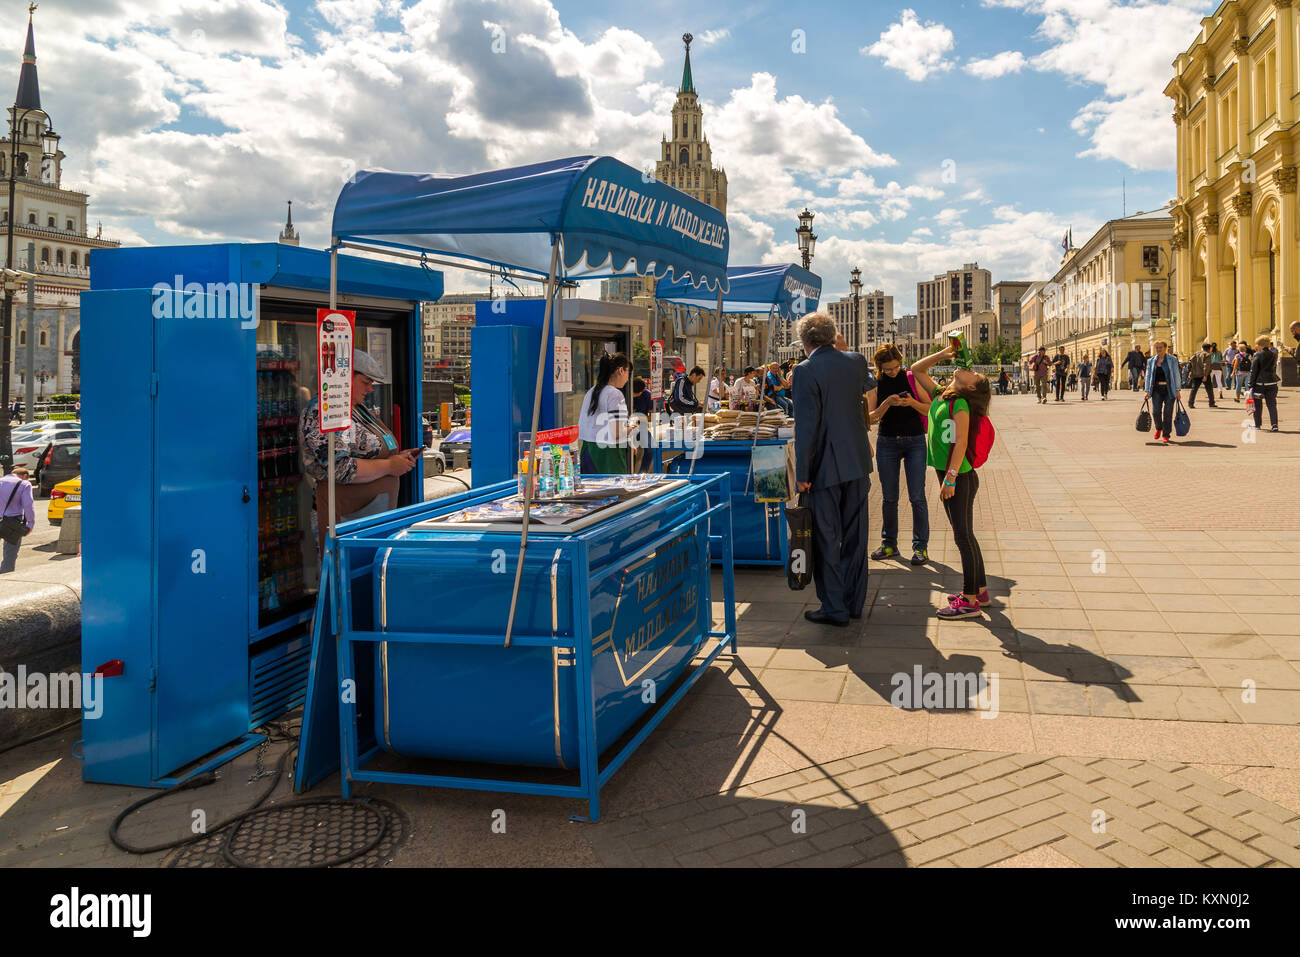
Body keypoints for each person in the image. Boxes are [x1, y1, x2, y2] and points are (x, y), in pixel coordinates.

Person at [792, 312, 872, 626]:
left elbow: (806, 428)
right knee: (856, 537)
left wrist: (802, 474)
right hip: (857, 462)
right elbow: (868, 383)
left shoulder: (804, 370)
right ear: (834, 335)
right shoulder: (855, 361)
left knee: (826, 538)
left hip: (824, 468)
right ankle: (853, 602)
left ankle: (834, 606)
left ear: (804, 342)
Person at [299, 349, 417, 556]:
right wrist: (390, 466)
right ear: (344, 377)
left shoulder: (358, 409)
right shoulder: (323, 411)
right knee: (343, 577)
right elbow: (340, 468)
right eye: (366, 382)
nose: (370, 389)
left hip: (370, 514)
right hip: (346, 516)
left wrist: (398, 459)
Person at [913, 344, 990, 619]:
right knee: (966, 534)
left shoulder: (961, 405)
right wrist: (944, 354)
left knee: (962, 536)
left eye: (975, 375)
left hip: (959, 475)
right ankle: (979, 590)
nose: (971, 370)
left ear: (972, 389)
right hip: (950, 473)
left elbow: (961, 443)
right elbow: (916, 369)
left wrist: (951, 479)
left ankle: (969, 601)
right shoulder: (942, 394)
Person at [866, 343, 930, 566]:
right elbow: (870, 417)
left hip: (915, 442)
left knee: (917, 496)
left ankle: (920, 547)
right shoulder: (874, 382)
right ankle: (889, 543)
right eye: (887, 369)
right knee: (889, 497)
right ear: (879, 367)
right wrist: (887, 404)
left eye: (895, 367)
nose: (892, 372)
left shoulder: (911, 377)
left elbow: (930, 408)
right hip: (887, 442)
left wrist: (911, 402)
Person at [578, 352, 631, 474]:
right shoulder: (615, 394)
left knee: (591, 491)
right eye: (628, 372)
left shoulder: (591, 392)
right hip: (608, 455)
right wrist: (632, 428)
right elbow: (616, 433)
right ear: (621, 370)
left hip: (588, 451)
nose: (628, 378)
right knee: (611, 492)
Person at [1144, 339, 1181, 445]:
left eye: (1160, 347)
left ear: (1165, 348)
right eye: (1157, 348)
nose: (1158, 349)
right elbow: (1148, 376)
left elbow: (1176, 374)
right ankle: (1158, 428)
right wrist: (1147, 390)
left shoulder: (1172, 359)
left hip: (1169, 389)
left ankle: (1166, 435)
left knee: (1168, 413)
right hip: (1156, 389)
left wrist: (1178, 390)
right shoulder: (1151, 361)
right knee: (1156, 411)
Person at [0, 465, 35, 574]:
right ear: (24, 476)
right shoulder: (24, 484)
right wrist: (30, 524)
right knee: (10, 552)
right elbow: (28, 505)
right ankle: (6, 575)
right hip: (13, 522)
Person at [1248, 334, 1280, 432]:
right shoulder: (1274, 354)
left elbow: (1254, 371)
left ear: (1260, 345)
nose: (1255, 347)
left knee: (1257, 405)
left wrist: (1250, 385)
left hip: (1260, 384)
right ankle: (1274, 425)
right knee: (1272, 405)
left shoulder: (1257, 355)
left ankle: (1258, 424)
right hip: (1272, 383)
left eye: (1256, 345)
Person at [1187, 342, 1217, 408]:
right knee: (1209, 389)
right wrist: (1205, 375)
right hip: (1204, 374)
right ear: (1209, 348)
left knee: (1194, 389)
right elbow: (1206, 365)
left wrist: (1190, 372)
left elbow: (1189, 363)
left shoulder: (1196, 354)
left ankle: (1190, 403)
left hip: (1195, 374)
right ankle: (1211, 403)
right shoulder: (1207, 355)